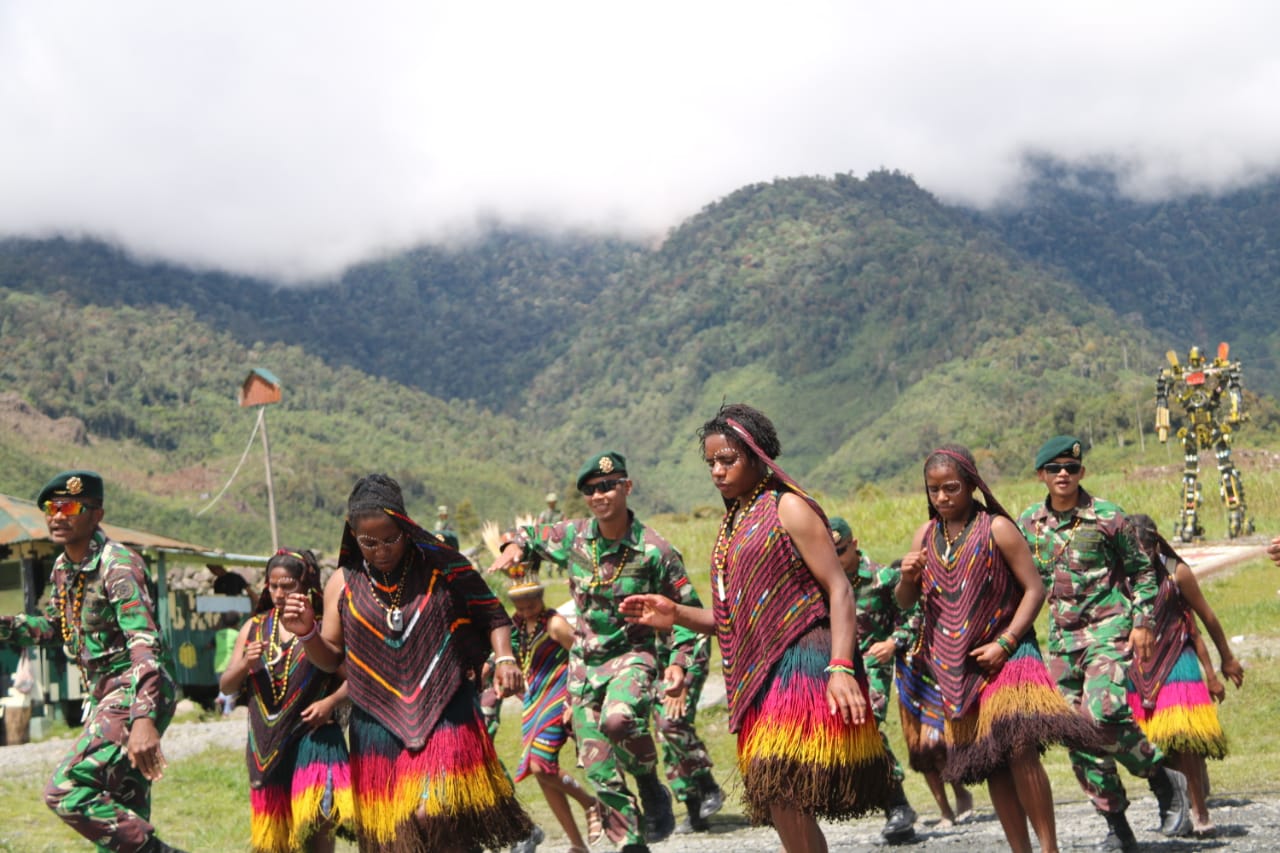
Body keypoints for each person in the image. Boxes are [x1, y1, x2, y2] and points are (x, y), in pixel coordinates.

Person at [621, 404, 892, 853]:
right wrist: (677, 613)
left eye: (728, 459)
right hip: (758, 676)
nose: (717, 470)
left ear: (757, 454)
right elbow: (732, 619)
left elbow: (839, 589)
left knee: (784, 785)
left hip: (802, 660)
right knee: (779, 798)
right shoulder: (733, 522)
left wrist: (842, 667)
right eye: (711, 462)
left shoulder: (788, 506)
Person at [281, 474, 533, 852]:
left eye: (389, 539)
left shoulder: (442, 566)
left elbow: (493, 615)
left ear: (405, 525)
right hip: (376, 722)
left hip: (445, 708)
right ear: (352, 534)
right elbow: (331, 658)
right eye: (368, 542)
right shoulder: (343, 583)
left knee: (437, 814)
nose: (380, 549)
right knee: (396, 837)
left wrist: (505, 658)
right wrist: (306, 634)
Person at [488, 450, 698, 853]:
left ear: (627, 487)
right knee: (597, 763)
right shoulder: (574, 537)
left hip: (633, 658)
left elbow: (688, 609)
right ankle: (630, 841)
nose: (600, 495)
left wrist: (678, 664)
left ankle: (649, 780)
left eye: (608, 486)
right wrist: (513, 547)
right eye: (590, 489)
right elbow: (525, 535)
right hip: (585, 668)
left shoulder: (655, 550)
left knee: (618, 721)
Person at [897, 445, 1101, 853]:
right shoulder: (925, 537)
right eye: (933, 489)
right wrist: (907, 577)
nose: (941, 497)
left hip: (1009, 653)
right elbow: (906, 602)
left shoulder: (996, 528)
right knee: (992, 764)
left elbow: (1034, 590)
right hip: (959, 665)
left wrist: (1005, 642)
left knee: (1020, 748)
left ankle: (1049, 848)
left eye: (951, 488)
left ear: (971, 483)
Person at [1016, 435, 1191, 850]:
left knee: (1102, 715)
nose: (1064, 474)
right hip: (1062, 641)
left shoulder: (1108, 516)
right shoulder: (1028, 524)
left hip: (1108, 630)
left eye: (1071, 468)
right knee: (1075, 733)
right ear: (1042, 474)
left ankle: (1160, 775)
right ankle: (1117, 824)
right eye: (1055, 468)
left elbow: (1143, 572)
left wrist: (1143, 622)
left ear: (1082, 473)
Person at [0, 470, 183, 852]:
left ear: (96, 514)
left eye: (68, 506)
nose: (56, 516)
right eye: (51, 507)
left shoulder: (118, 565)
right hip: (107, 697)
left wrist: (143, 718)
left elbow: (144, 641)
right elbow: (54, 627)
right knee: (118, 814)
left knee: (66, 790)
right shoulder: (64, 570)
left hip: (134, 691)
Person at [219, 548, 352, 853]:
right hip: (266, 749)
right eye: (273, 585)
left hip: (314, 745)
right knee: (276, 845)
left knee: (316, 831)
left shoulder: (322, 627)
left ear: (305, 585)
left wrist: (329, 703)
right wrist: (243, 665)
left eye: (288, 585)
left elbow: (358, 679)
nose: (279, 593)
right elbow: (227, 686)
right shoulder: (254, 627)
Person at [1126, 514, 1244, 836]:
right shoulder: (1115, 575)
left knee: (1184, 735)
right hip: (1140, 667)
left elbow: (1206, 617)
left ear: (1154, 546)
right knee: (1157, 743)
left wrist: (1226, 660)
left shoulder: (1177, 573)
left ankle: (1201, 811)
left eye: (1143, 551)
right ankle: (1179, 801)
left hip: (1179, 657)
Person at [498, 569, 605, 853]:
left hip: (559, 697)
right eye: (519, 606)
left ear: (540, 598)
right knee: (543, 775)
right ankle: (577, 844)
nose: (525, 610)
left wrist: (576, 697)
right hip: (534, 702)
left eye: (530, 604)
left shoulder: (554, 624)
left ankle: (591, 804)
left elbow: (582, 655)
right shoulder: (518, 625)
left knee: (540, 765)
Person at [829, 516, 918, 843]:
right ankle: (892, 805)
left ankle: (897, 805)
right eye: (829, 551)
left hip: (872, 665)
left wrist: (894, 641)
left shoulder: (883, 577)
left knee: (865, 722)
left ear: (853, 544)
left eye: (839, 550)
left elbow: (915, 614)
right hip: (838, 669)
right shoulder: (821, 581)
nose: (835, 557)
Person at [891, 592, 974, 828]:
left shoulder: (933, 599)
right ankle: (945, 811)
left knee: (935, 744)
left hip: (934, 680)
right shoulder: (889, 600)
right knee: (921, 751)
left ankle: (961, 794)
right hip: (908, 683)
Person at [654, 623, 723, 834]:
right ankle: (694, 811)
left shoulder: (675, 588)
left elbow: (692, 625)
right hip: (656, 658)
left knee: (672, 722)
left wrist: (684, 676)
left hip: (688, 649)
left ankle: (708, 786)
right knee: (664, 734)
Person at [213, 610, 243, 717]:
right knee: (232, 688)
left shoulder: (218, 634)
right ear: (237, 623)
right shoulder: (237, 634)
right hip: (231, 664)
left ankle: (221, 697)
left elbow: (210, 645)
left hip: (218, 664)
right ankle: (227, 712)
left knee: (223, 685)